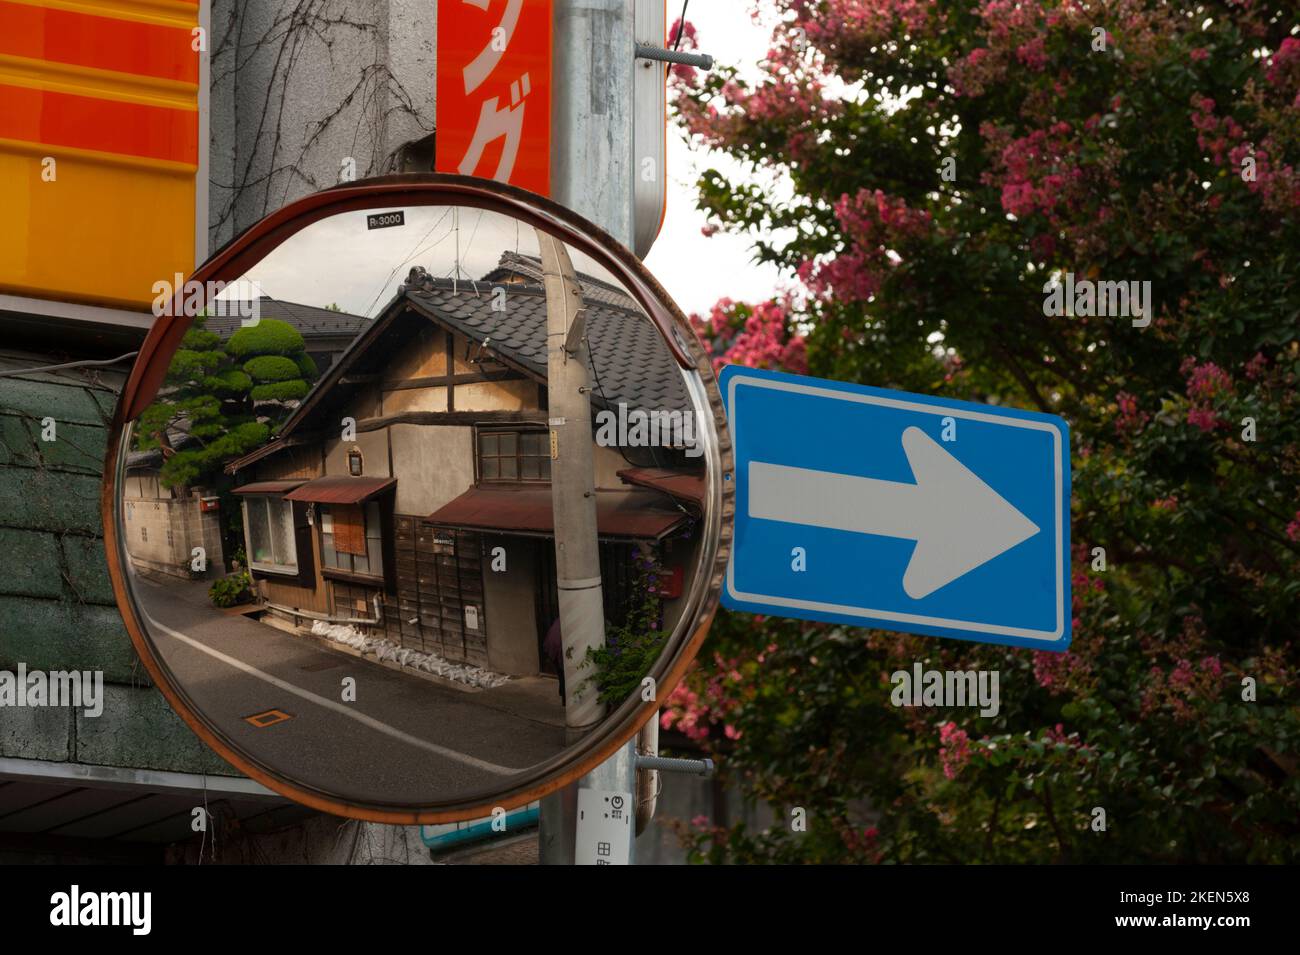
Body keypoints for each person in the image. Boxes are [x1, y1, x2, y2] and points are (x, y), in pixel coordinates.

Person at [543, 617, 565, 706]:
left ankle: (563, 694)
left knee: (561, 675)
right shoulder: (564, 623)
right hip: (558, 650)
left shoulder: (558, 621)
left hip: (553, 650)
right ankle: (565, 698)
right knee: (564, 676)